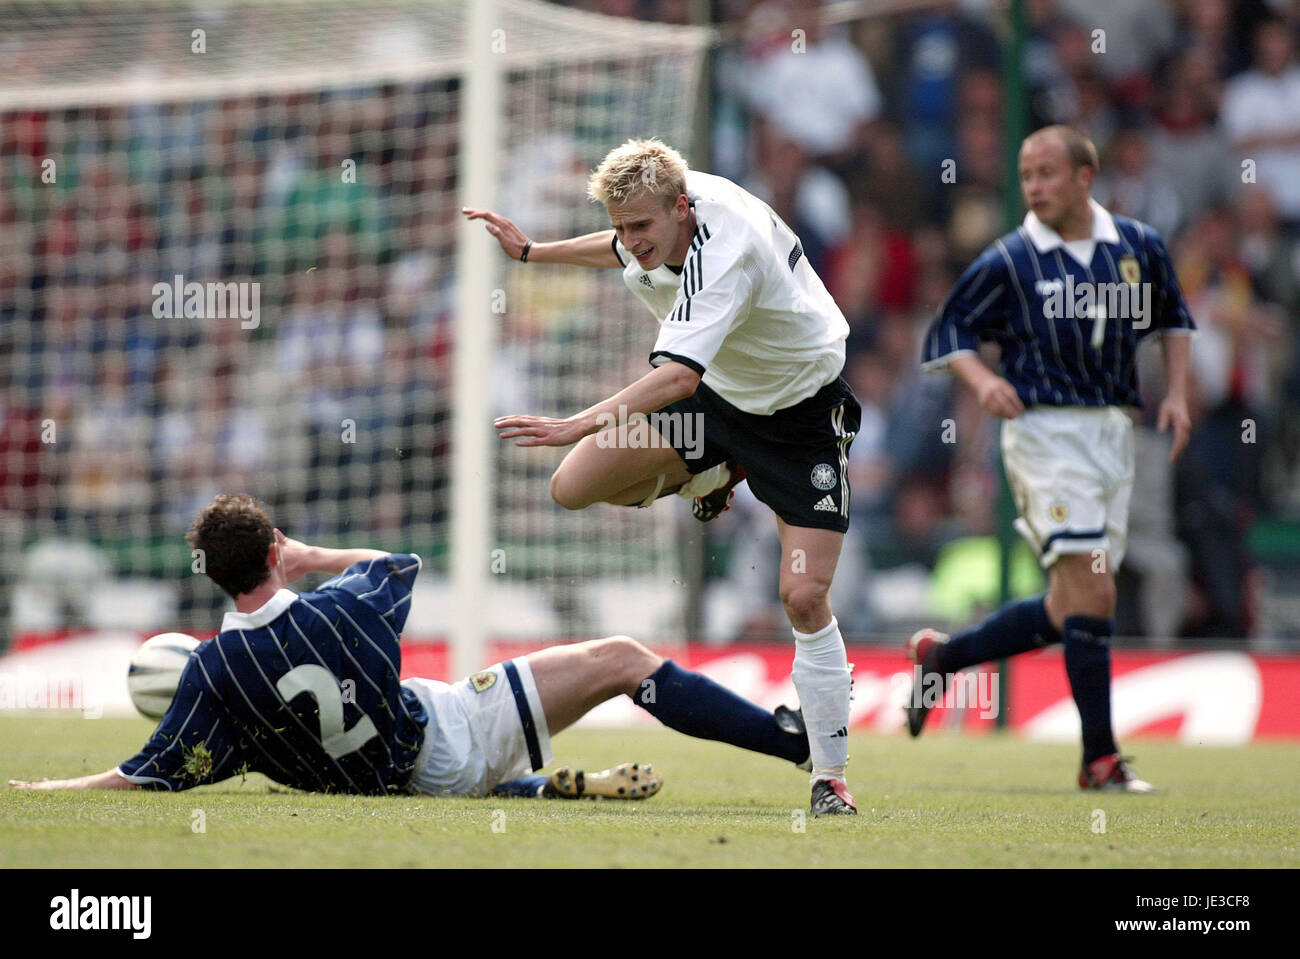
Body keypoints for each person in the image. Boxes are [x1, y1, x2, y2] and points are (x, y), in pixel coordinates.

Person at [463, 138, 862, 815]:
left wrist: (575, 421)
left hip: (800, 417)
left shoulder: (724, 247)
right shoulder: (664, 206)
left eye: (641, 227)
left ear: (681, 208)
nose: (631, 241)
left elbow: (676, 375)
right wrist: (534, 252)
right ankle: (716, 467)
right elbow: (618, 247)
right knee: (572, 485)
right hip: (719, 402)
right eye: (623, 226)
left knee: (801, 593)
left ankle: (830, 775)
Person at [9, 494, 811, 797]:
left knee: (281, 761)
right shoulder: (342, 610)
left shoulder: (214, 676)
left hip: (390, 781)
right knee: (625, 659)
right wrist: (314, 559)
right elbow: (401, 564)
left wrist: (46, 788)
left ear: (215, 577)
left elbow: (147, 773)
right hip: (451, 728)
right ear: (274, 551)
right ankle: (789, 738)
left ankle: (527, 794)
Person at [911, 125, 1195, 792]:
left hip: (1114, 436)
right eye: (1026, 173)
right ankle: (1100, 759)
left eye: (1046, 173)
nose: (1033, 186)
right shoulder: (1012, 259)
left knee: (1072, 606)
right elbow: (947, 330)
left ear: (1084, 177)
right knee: (1097, 587)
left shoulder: (1138, 246)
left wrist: (1178, 392)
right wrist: (982, 382)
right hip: (1043, 436)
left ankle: (945, 657)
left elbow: (1174, 318)